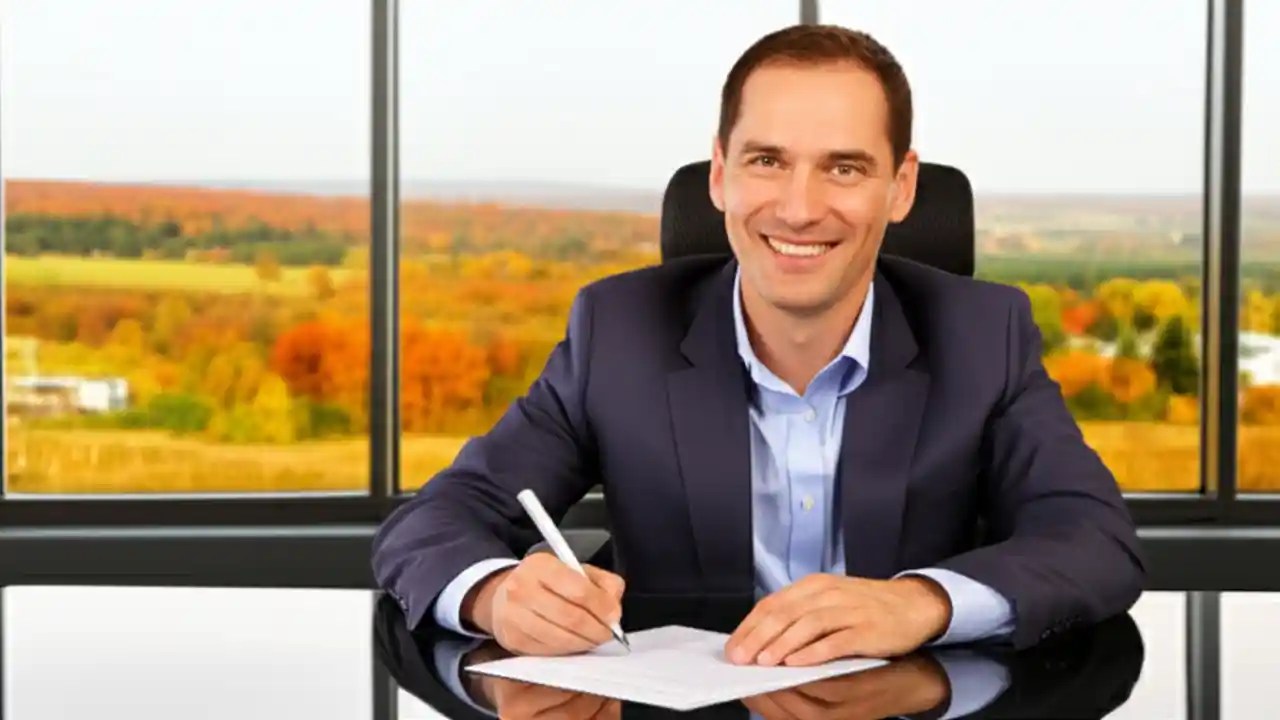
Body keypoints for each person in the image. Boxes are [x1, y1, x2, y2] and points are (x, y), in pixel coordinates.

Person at [372, 23, 1145, 665]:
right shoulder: (618, 330)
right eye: (767, 161)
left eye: (844, 167)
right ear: (719, 176)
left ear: (901, 188)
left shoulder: (984, 333)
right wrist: (494, 593)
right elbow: (434, 522)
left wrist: (919, 603)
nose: (799, 208)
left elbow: (1094, 539)